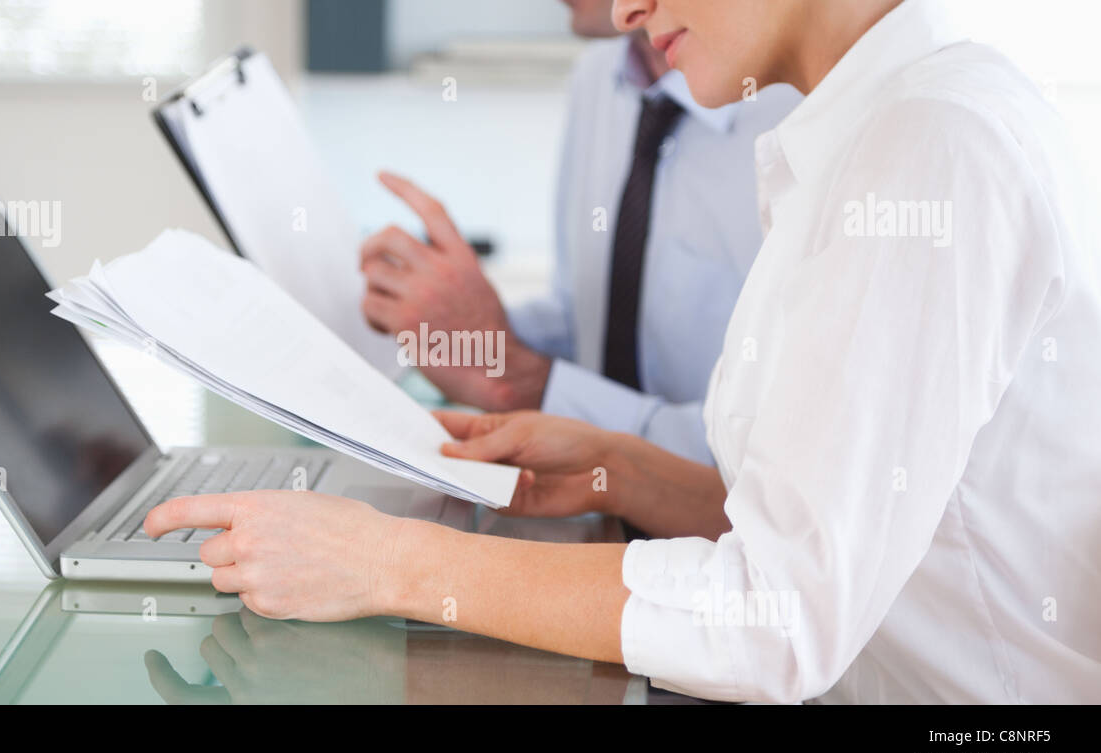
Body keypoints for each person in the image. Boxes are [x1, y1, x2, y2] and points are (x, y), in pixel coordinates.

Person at [146, 0, 1101, 703]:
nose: (623, 9)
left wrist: (390, 564)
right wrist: (619, 471)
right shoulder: (878, 130)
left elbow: (779, 618)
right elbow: (839, 529)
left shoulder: (929, 148)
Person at [359, 0, 800, 464]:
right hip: (600, 513)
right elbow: (590, 323)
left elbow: (768, 465)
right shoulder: (598, 77)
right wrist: (467, 328)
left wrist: (526, 381)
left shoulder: (797, 113)